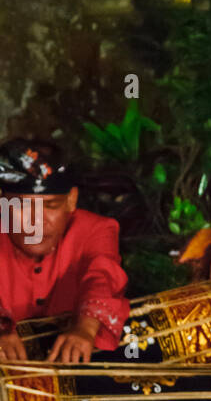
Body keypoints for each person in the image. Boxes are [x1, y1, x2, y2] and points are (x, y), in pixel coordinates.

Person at [0, 138, 129, 363]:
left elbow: (102, 276)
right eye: (22, 207)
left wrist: (86, 329)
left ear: (71, 200)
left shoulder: (96, 229)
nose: (36, 222)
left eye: (50, 206)